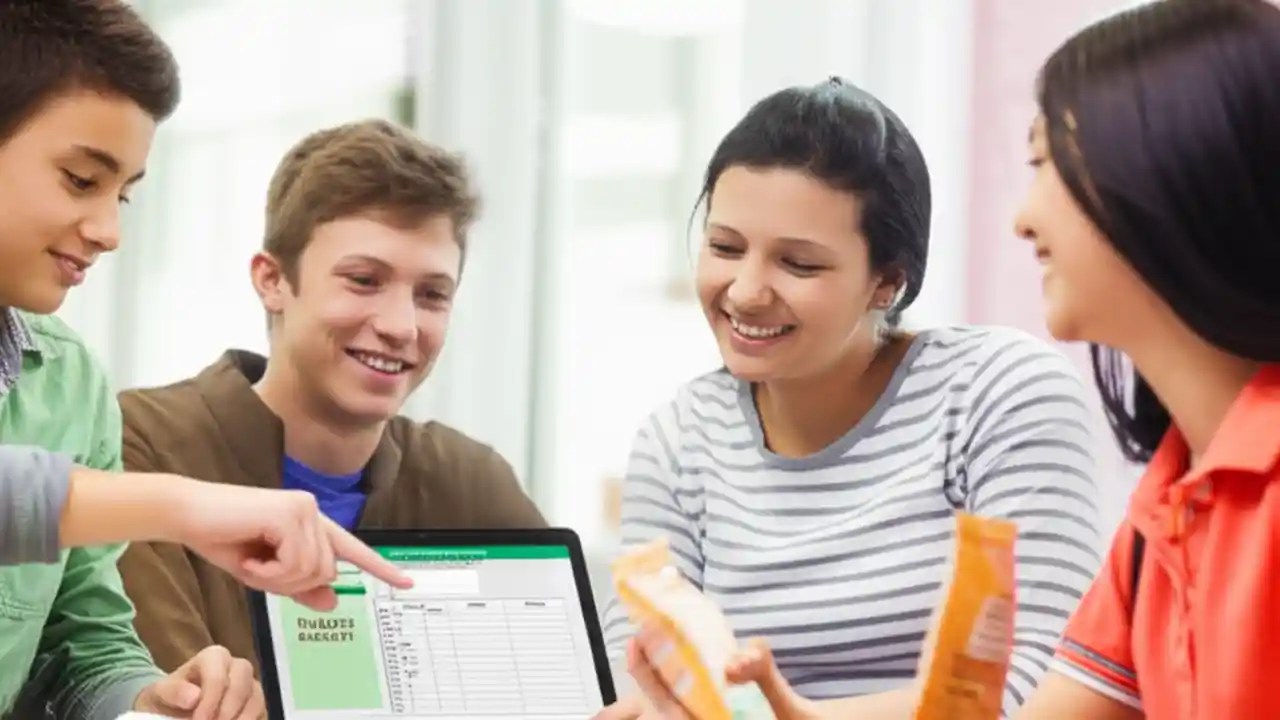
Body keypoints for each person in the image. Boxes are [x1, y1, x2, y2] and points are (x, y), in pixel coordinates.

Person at [625, 1, 1280, 719]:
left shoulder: (1000, 394)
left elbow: (1018, 688)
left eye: (1047, 166)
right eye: (724, 247)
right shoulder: (1171, 500)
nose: (1021, 217)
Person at [596, 77, 1103, 720]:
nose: (746, 292)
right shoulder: (681, 439)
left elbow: (1043, 681)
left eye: (799, 265)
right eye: (725, 248)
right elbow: (639, 676)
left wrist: (795, 715)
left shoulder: (995, 394)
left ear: (887, 282)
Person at [0, 1, 404, 718]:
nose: (109, 230)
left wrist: (151, 700)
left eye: (123, 194)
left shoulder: (71, 382)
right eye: (81, 180)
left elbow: (82, 650)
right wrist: (184, 506)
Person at [115, 118, 548, 674]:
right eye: (364, 280)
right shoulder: (141, 446)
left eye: (432, 294)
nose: (402, 326)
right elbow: (162, 695)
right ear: (273, 281)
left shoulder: (472, 480)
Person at [0, 446, 411, 613]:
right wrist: (177, 507)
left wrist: (140, 698)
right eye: (360, 281)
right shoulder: (153, 432)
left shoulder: (78, 376)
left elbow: (83, 633)